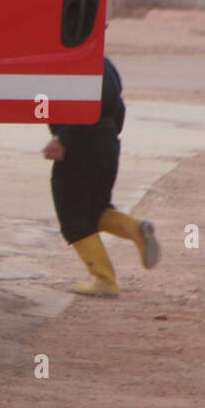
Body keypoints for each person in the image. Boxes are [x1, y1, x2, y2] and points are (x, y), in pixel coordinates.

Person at [42, 56, 160, 296]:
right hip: (107, 143)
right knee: (95, 210)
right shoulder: (106, 65)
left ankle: (104, 280)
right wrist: (104, 139)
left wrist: (63, 138)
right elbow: (119, 108)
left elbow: (85, 109)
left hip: (79, 145)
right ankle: (135, 228)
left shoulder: (71, 64)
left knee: (73, 219)